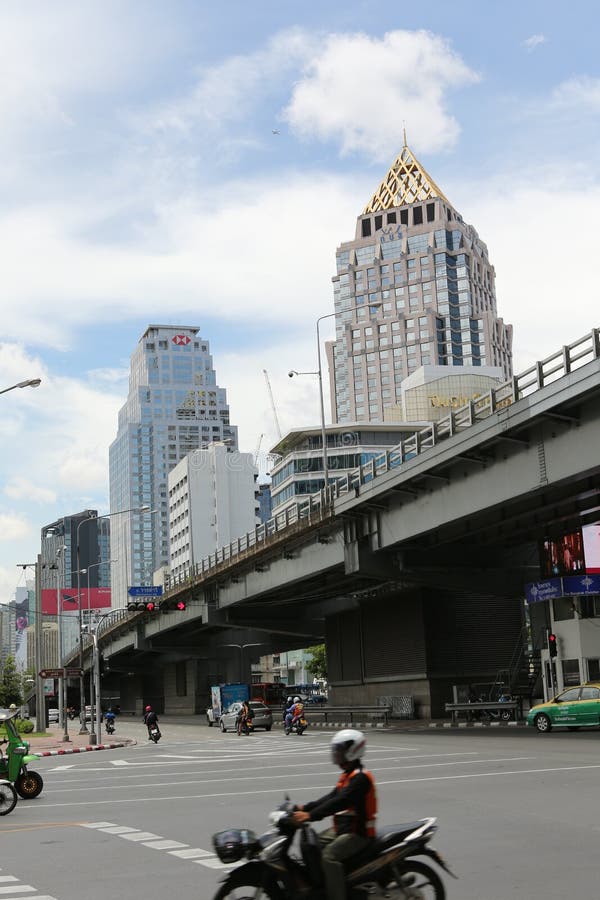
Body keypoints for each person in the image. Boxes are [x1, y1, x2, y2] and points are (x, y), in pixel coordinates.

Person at [292, 729, 377, 900]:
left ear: (353, 751)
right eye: (336, 750)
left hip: (358, 833)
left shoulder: (361, 778)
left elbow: (340, 802)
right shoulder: (348, 775)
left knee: (328, 857)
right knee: (314, 845)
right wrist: (305, 808)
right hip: (344, 829)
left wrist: (310, 816)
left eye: (340, 750)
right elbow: (331, 797)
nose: (337, 754)